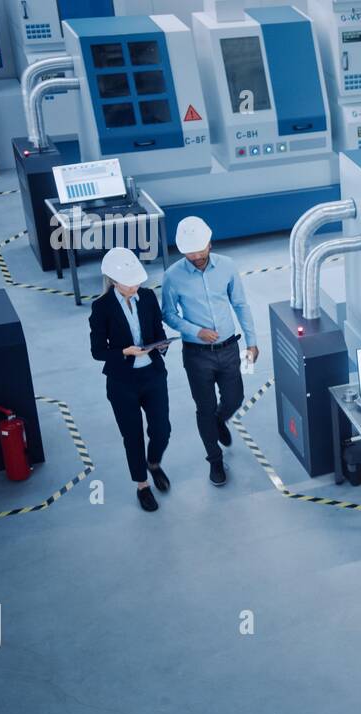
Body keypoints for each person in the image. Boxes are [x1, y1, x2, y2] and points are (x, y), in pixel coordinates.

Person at [160, 216, 258, 487]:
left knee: (234, 398)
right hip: (197, 354)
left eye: (200, 250)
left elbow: (240, 304)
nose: (196, 256)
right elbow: (168, 314)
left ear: (209, 243)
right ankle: (215, 460)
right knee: (203, 408)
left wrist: (251, 341)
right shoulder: (172, 277)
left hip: (229, 349)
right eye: (190, 253)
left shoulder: (227, 267)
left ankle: (219, 420)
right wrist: (195, 330)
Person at [89, 247, 172, 512]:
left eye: (138, 280)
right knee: (132, 435)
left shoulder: (147, 297)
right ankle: (142, 485)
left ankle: (154, 462)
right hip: (122, 381)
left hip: (153, 374)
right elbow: (97, 351)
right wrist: (124, 351)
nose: (136, 285)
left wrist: (162, 345)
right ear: (113, 281)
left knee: (162, 429)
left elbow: (158, 330)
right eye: (129, 282)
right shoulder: (101, 307)